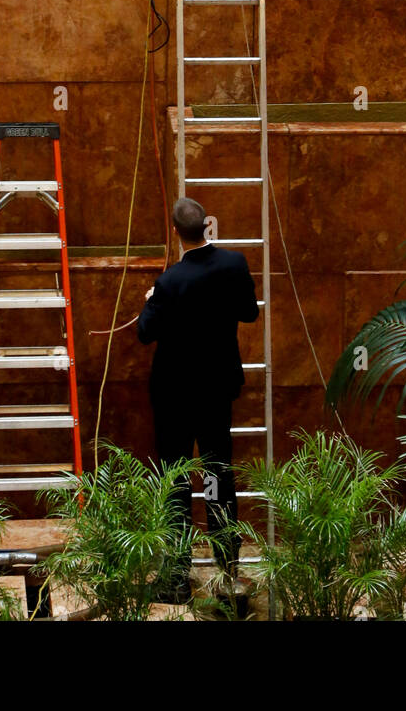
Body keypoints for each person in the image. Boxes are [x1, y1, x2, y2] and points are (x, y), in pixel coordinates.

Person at [137, 196, 260, 599]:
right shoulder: (234, 265)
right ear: (207, 226)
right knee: (216, 475)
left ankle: (176, 578)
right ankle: (229, 572)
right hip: (215, 392)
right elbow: (249, 313)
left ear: (176, 232)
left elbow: (144, 333)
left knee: (174, 481)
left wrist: (150, 304)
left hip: (174, 396)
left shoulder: (169, 282)